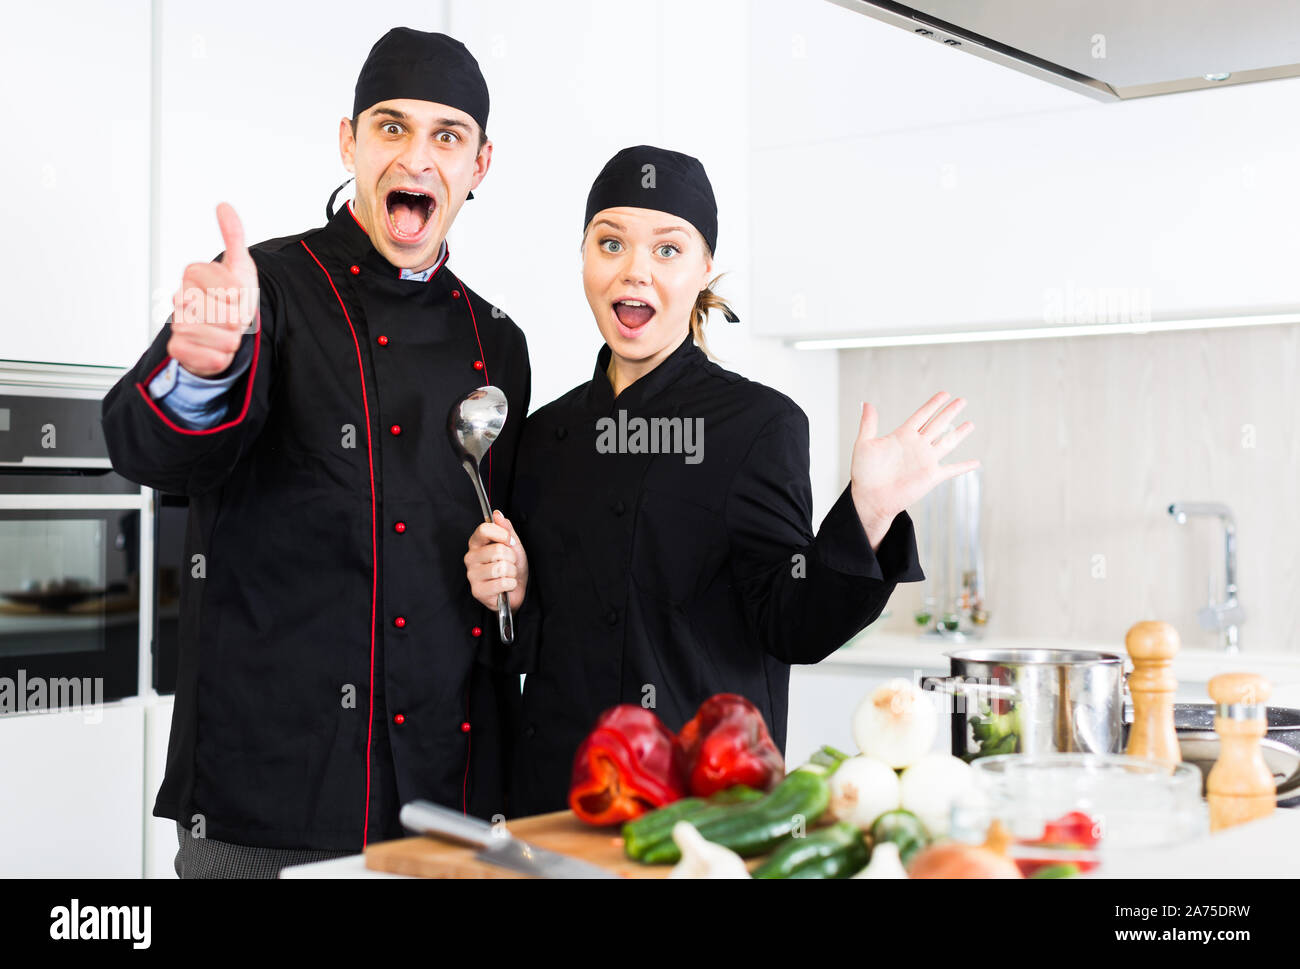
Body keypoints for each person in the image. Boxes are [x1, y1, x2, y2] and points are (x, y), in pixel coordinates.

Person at [101, 28, 531, 876]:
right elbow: (145, 447)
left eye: (447, 136)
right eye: (391, 127)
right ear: (350, 141)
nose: (416, 157)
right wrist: (198, 372)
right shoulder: (264, 288)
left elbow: (503, 548)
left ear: (480, 165)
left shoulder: (499, 338)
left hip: (447, 805)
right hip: (269, 800)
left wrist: (510, 571)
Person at [464, 145, 979, 815]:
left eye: (668, 250)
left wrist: (868, 514)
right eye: (611, 242)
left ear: (706, 268)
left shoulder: (758, 426)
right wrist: (510, 592)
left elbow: (793, 625)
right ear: (585, 256)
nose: (635, 269)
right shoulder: (545, 433)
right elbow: (533, 645)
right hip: (557, 803)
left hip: (703, 810)